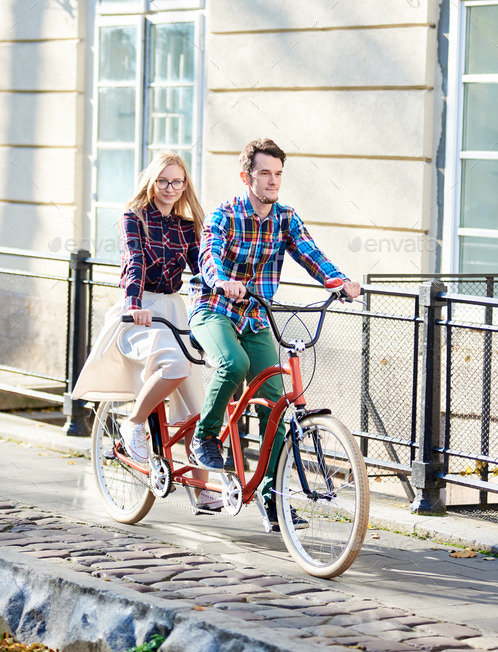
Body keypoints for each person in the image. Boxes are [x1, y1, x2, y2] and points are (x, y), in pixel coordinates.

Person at [187, 138, 361, 530]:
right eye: (265, 173)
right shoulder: (225, 214)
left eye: (278, 174)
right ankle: (205, 437)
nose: (273, 181)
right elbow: (209, 255)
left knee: (278, 405)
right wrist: (222, 281)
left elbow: (310, 252)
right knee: (234, 364)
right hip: (214, 309)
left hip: (256, 318)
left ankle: (272, 499)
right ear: (246, 176)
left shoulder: (285, 217)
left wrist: (339, 282)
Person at [72, 150, 221, 510]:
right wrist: (134, 303)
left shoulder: (187, 226)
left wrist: (221, 296)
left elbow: (203, 270)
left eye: (178, 181)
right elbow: (134, 261)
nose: (170, 188)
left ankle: (200, 490)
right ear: (151, 182)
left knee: (197, 407)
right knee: (176, 365)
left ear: (186, 185)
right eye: (163, 181)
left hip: (174, 309)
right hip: (141, 308)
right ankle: (134, 422)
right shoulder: (133, 217)